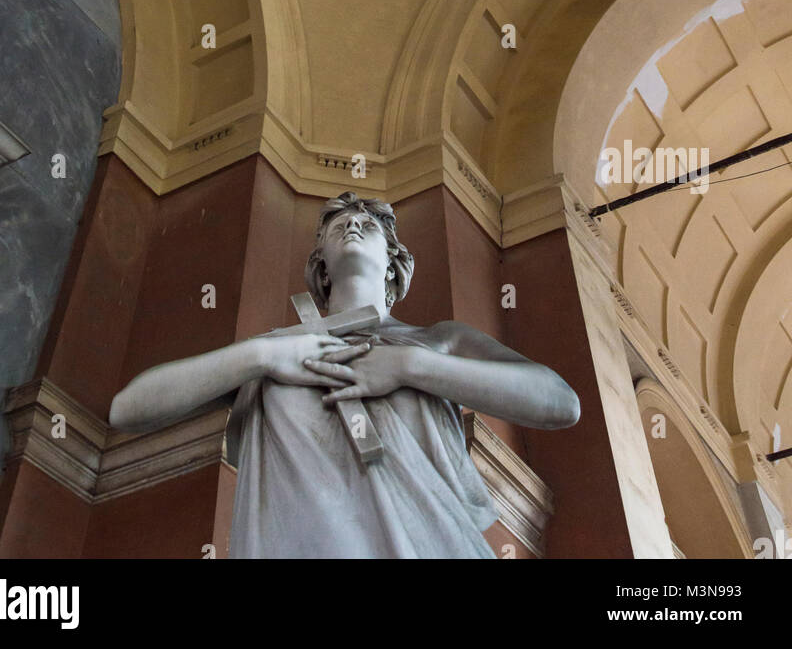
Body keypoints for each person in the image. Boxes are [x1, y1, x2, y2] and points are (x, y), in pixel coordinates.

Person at [110, 191, 580, 558]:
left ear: (395, 265)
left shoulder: (438, 340)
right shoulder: (277, 349)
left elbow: (560, 403)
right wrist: (261, 358)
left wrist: (410, 365)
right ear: (321, 268)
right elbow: (128, 408)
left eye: (369, 225)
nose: (354, 224)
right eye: (339, 225)